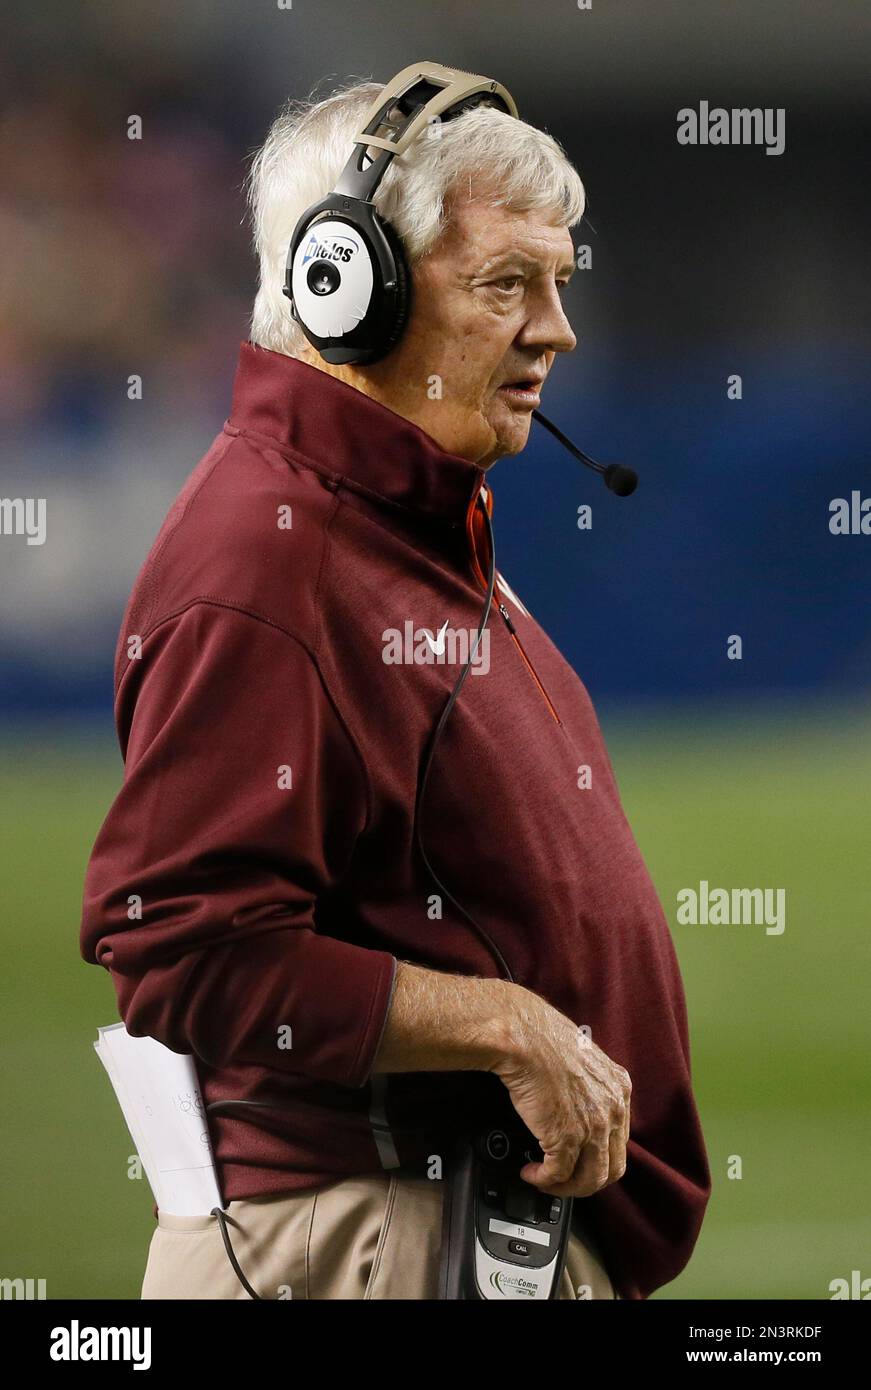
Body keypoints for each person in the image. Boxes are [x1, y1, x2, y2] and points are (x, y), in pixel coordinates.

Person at [80, 69, 710, 1301]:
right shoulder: (270, 552)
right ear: (344, 287)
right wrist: (509, 1024)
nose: (555, 329)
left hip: (430, 1235)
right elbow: (181, 951)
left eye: (559, 283)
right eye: (505, 285)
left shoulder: (390, 523)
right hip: (356, 1245)